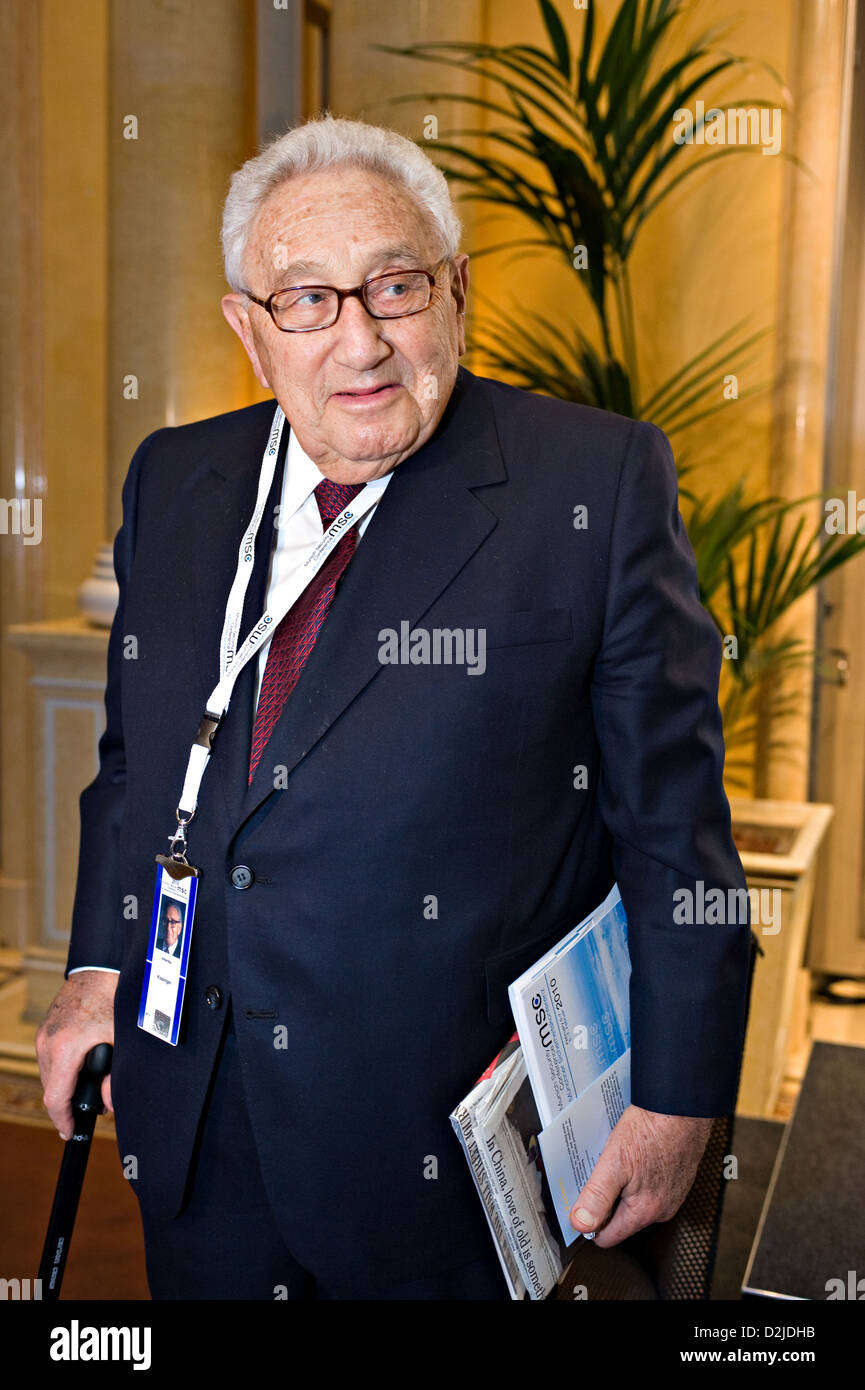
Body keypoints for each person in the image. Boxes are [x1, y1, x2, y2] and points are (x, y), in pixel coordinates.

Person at [36, 115, 752, 1300]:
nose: (359, 341)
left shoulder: (595, 482)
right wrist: (102, 969)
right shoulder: (175, 477)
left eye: (396, 287)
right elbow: (136, 769)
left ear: (455, 292)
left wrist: (676, 1099)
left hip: (441, 1166)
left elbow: (675, 835)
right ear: (249, 330)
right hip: (200, 1122)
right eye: (306, 299)